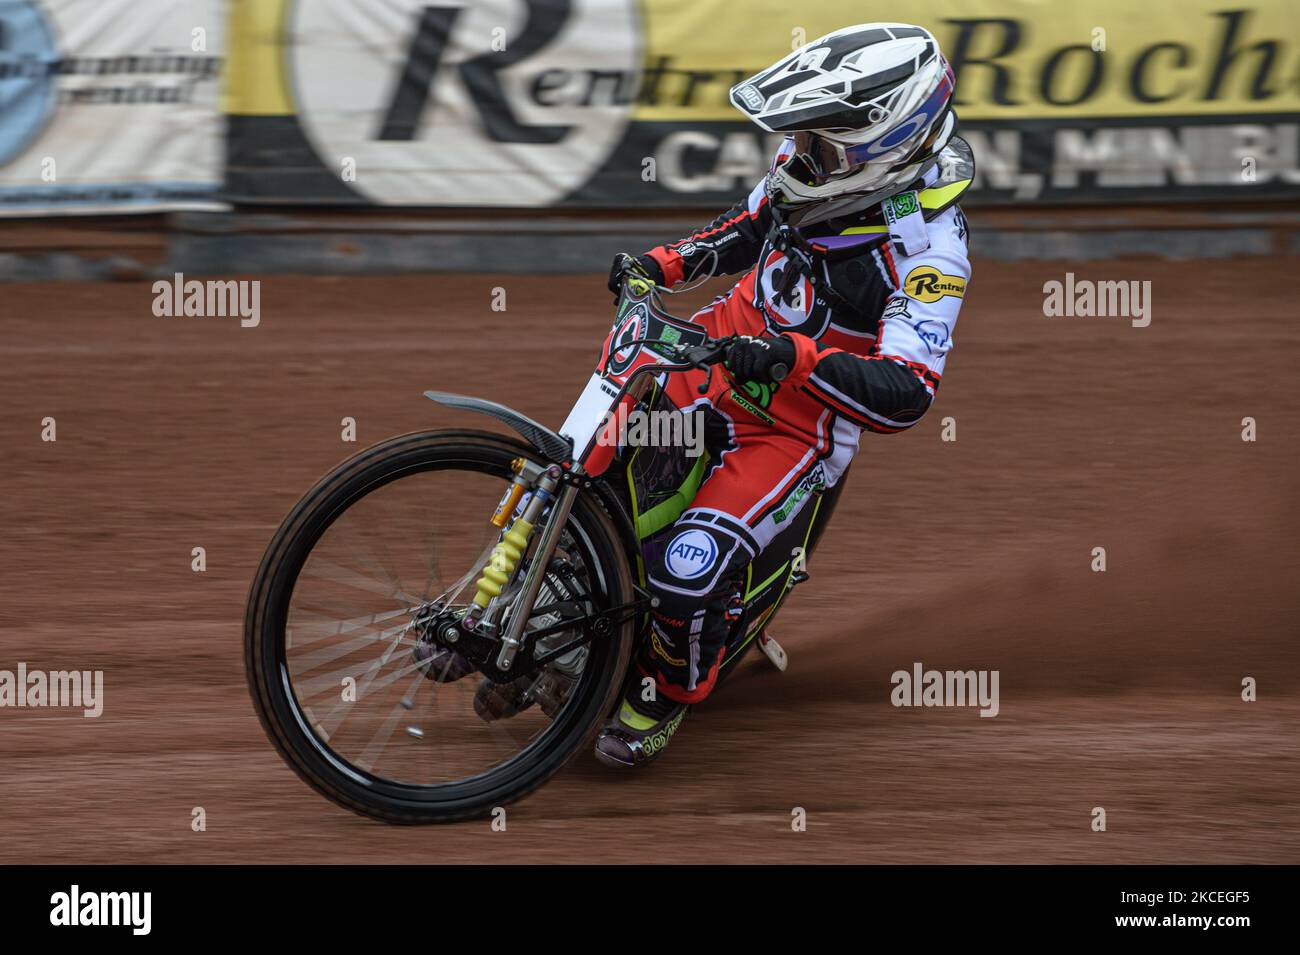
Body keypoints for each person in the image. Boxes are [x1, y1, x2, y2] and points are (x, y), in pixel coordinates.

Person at [592, 22, 975, 767]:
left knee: (684, 568)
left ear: (884, 150)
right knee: (594, 464)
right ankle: (513, 606)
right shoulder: (813, 166)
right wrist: (661, 265)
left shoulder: (931, 247)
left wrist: (795, 358)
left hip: (789, 430)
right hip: (707, 359)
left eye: (819, 148)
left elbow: (908, 392)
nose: (798, 156)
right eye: (800, 139)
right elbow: (752, 221)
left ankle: (669, 689)